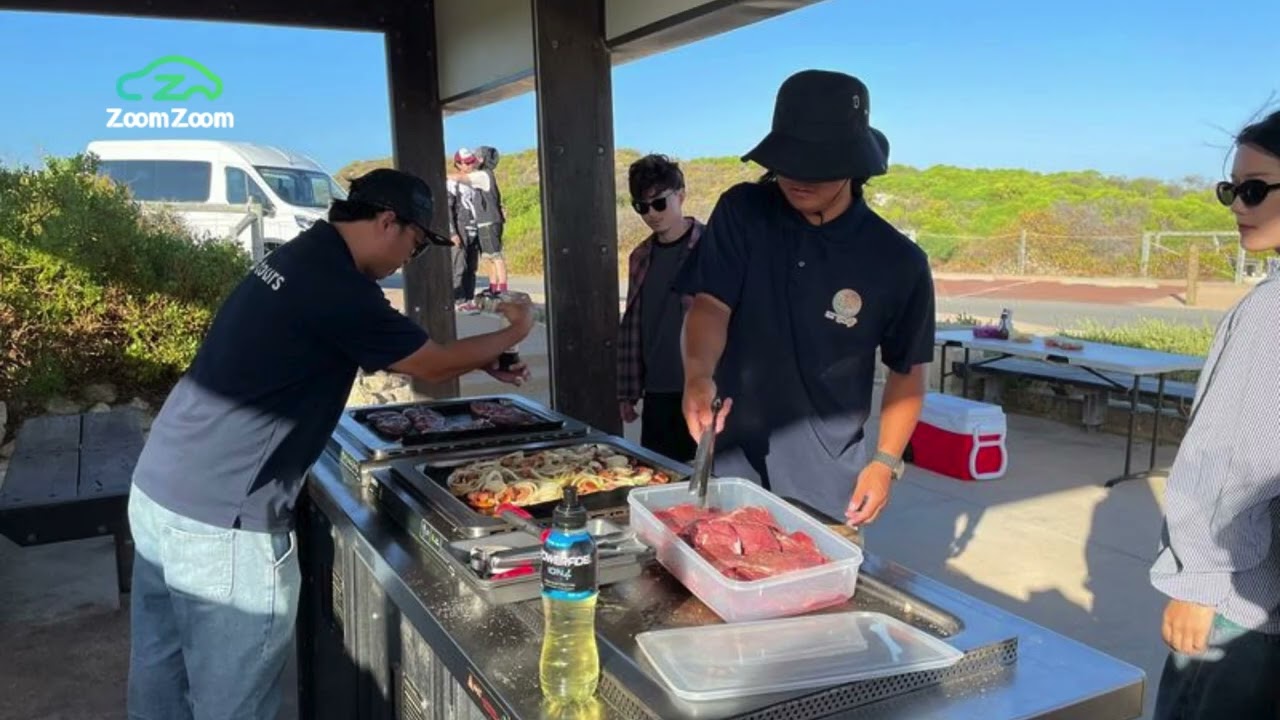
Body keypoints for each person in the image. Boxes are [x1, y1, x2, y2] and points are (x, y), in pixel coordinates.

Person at [125, 168, 535, 720]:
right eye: (414, 246)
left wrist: (485, 355)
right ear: (389, 222)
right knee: (233, 705)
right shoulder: (337, 286)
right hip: (222, 523)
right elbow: (432, 363)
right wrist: (516, 328)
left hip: (160, 491)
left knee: (161, 679)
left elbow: (394, 347)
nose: (406, 261)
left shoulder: (303, 257)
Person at [675, 69, 933, 525]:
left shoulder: (897, 261)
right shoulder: (744, 212)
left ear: (855, 164)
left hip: (829, 484)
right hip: (730, 461)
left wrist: (885, 463)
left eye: (817, 165)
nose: (796, 177)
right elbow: (711, 304)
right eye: (788, 161)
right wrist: (697, 376)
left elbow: (907, 371)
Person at [1149, 110, 1280, 720]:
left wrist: (1198, 584)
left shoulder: (1270, 313)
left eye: (1255, 189)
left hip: (1242, 604)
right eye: (1231, 189)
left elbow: (1235, 463)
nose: (1236, 205)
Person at [617, 154, 705, 462]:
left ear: (681, 195)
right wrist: (628, 390)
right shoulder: (639, 257)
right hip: (657, 393)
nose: (651, 214)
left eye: (659, 203)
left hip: (703, 389)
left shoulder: (712, 248)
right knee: (659, 481)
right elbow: (633, 327)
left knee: (708, 486)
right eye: (642, 206)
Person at [451, 146, 508, 295]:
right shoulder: (483, 175)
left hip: (489, 220)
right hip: (483, 222)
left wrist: (439, 176)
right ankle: (493, 286)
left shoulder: (483, 175)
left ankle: (501, 288)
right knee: (487, 256)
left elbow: (460, 178)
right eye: (468, 162)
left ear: (481, 160)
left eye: (473, 160)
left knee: (495, 255)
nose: (471, 164)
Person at [448, 167, 481, 312]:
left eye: (471, 162)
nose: (469, 165)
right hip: (460, 230)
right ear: (458, 164)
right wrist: (453, 233)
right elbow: (447, 210)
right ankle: (458, 300)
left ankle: (469, 298)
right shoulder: (451, 183)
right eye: (465, 162)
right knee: (459, 267)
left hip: (475, 230)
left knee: (472, 267)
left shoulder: (475, 182)